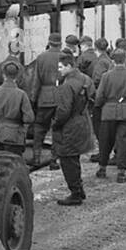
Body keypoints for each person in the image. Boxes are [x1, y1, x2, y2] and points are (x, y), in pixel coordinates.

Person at [52, 51, 93, 206]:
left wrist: (55, 124)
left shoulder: (67, 85)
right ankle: (79, 190)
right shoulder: (85, 79)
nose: (59, 70)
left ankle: (75, 193)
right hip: (83, 121)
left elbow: (63, 111)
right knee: (74, 158)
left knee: (67, 159)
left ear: (69, 66)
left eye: (61, 67)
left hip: (70, 126)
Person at [95, 47, 126, 182]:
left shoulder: (106, 76)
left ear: (113, 60)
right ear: (125, 60)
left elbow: (100, 96)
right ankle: (121, 172)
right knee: (124, 141)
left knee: (105, 141)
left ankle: (102, 168)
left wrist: (99, 107)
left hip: (109, 111)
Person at [0, 60, 35, 156]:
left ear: (3, 75)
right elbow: (29, 118)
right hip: (15, 136)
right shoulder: (21, 95)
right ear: (17, 75)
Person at [24, 35, 63, 166]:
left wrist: (33, 99)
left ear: (49, 43)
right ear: (60, 43)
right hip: (61, 97)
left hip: (44, 98)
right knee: (58, 129)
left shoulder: (41, 57)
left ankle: (36, 157)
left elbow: (36, 81)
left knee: (39, 128)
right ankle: (54, 160)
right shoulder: (65, 57)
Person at [87, 36, 111, 160]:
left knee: (98, 126)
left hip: (100, 97)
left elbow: (97, 79)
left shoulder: (100, 62)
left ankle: (102, 152)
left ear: (96, 48)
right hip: (108, 97)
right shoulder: (109, 59)